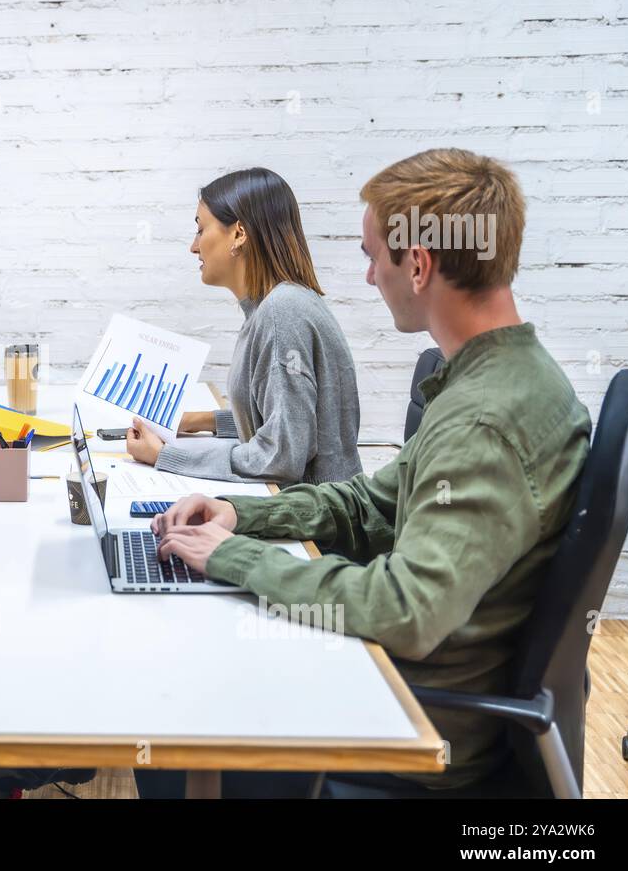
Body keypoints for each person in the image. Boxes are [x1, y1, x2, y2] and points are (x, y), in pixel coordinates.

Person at [146, 149, 591, 796]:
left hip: (410, 720)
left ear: (418, 264)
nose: (366, 277)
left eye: (371, 255)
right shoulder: (505, 378)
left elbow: (407, 608)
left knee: (173, 691)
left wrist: (233, 558)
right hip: (413, 686)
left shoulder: (482, 422)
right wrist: (242, 516)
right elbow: (371, 504)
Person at [126, 168, 361, 486]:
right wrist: (197, 421)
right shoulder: (276, 306)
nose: (193, 247)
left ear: (238, 234)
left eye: (201, 229)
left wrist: (166, 456)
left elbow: (282, 455)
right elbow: (284, 419)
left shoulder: (283, 313)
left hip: (315, 527)